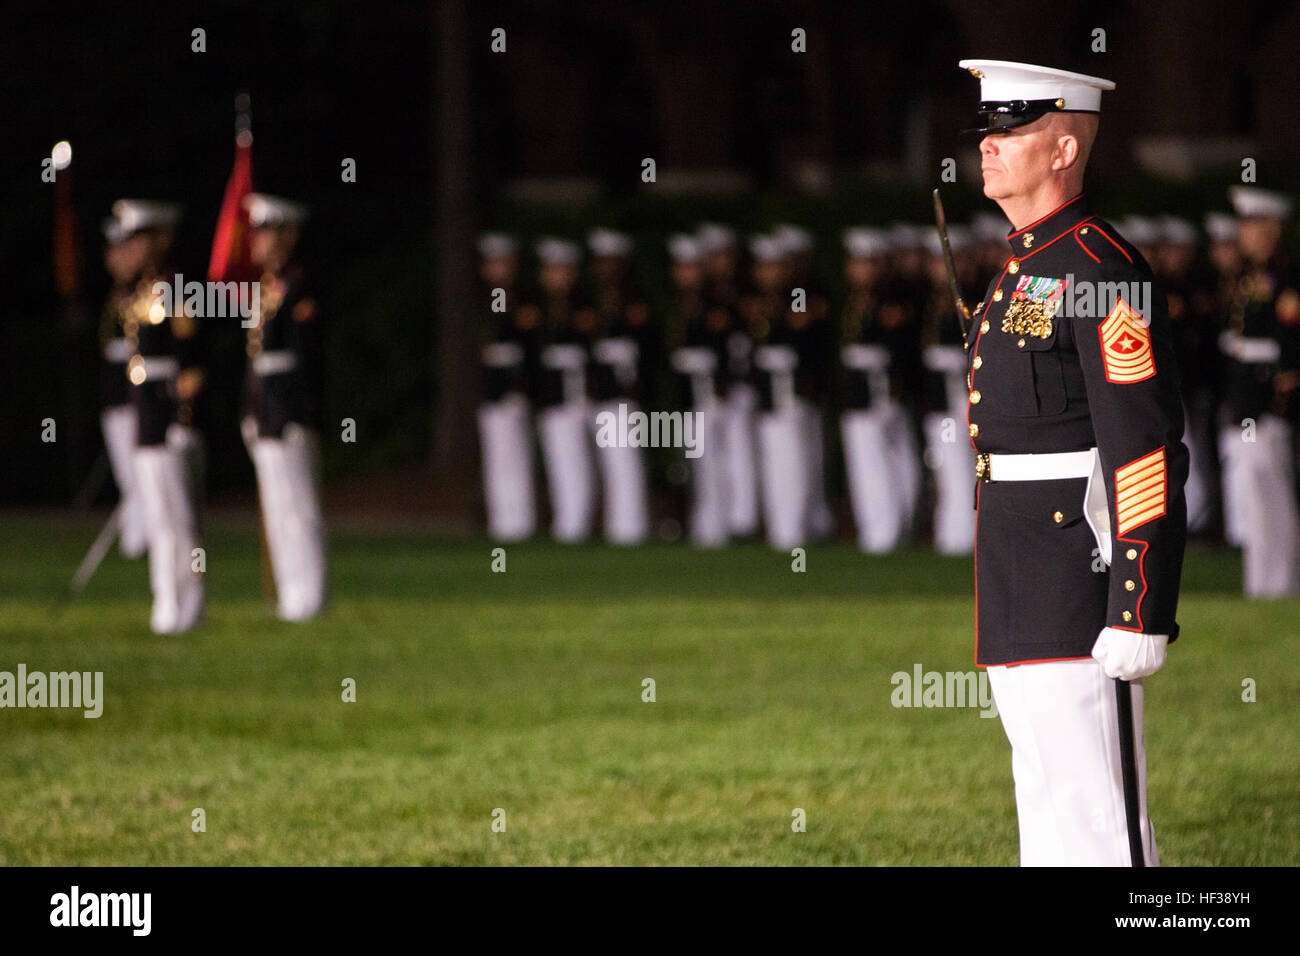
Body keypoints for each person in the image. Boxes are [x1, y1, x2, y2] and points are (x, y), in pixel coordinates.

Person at [957, 60, 1189, 865]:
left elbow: (1143, 446)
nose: (988, 147)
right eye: (987, 131)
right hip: (1020, 562)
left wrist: (1139, 602)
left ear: (1062, 149)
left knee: (1099, 818)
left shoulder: (1097, 269)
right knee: (1046, 805)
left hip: (1078, 568)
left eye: (1009, 131)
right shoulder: (1029, 267)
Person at [113, 199, 206, 634]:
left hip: (167, 414)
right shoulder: (139, 291)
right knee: (158, 514)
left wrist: (182, 420)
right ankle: (166, 603)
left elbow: (190, 362)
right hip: (146, 413)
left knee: (178, 518)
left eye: (139, 238)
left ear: (161, 240)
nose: (132, 247)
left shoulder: (177, 288)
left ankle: (187, 606)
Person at [241, 193, 326, 621]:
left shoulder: (299, 287)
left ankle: (308, 593)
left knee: (297, 506)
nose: (257, 239)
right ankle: (291, 591)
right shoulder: (266, 289)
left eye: (266, 230)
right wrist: (251, 410)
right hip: (266, 409)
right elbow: (257, 361)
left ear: (288, 235)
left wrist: (299, 410)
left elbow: (307, 358)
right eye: (256, 230)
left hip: (289, 409)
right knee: (277, 507)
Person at [1218, 186, 1300, 596]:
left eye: (1252, 223)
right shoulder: (1251, 277)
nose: (1244, 232)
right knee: (1254, 496)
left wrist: (1279, 400)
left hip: (1265, 404)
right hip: (1245, 399)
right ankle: (1262, 582)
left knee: (1272, 496)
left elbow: (1288, 345)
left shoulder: (1283, 276)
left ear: (1273, 227)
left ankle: (1280, 583)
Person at [586, 228, 651, 544]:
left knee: (625, 460)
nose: (605, 268)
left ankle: (631, 528)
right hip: (600, 392)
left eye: (611, 261)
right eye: (601, 261)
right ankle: (618, 527)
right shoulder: (594, 297)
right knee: (609, 462)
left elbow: (644, 346)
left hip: (623, 392)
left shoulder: (634, 297)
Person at [531, 237, 597, 542]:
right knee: (559, 462)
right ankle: (566, 523)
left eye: (562, 270)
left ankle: (578, 524)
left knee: (578, 462)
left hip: (578, 394)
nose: (556, 277)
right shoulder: (540, 307)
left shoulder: (585, 304)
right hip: (551, 397)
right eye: (551, 270)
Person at [476, 232, 537, 541]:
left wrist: (520, 386)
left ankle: (521, 522)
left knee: (517, 457)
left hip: (514, 388)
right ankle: (502, 524)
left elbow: (525, 346)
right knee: (497, 459)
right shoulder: (481, 298)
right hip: (491, 391)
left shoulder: (520, 297)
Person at [98, 214, 148, 558]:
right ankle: (134, 535)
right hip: (114, 396)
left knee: (141, 472)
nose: (116, 258)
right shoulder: (115, 294)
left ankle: (142, 536)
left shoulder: (142, 294)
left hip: (136, 395)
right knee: (126, 473)